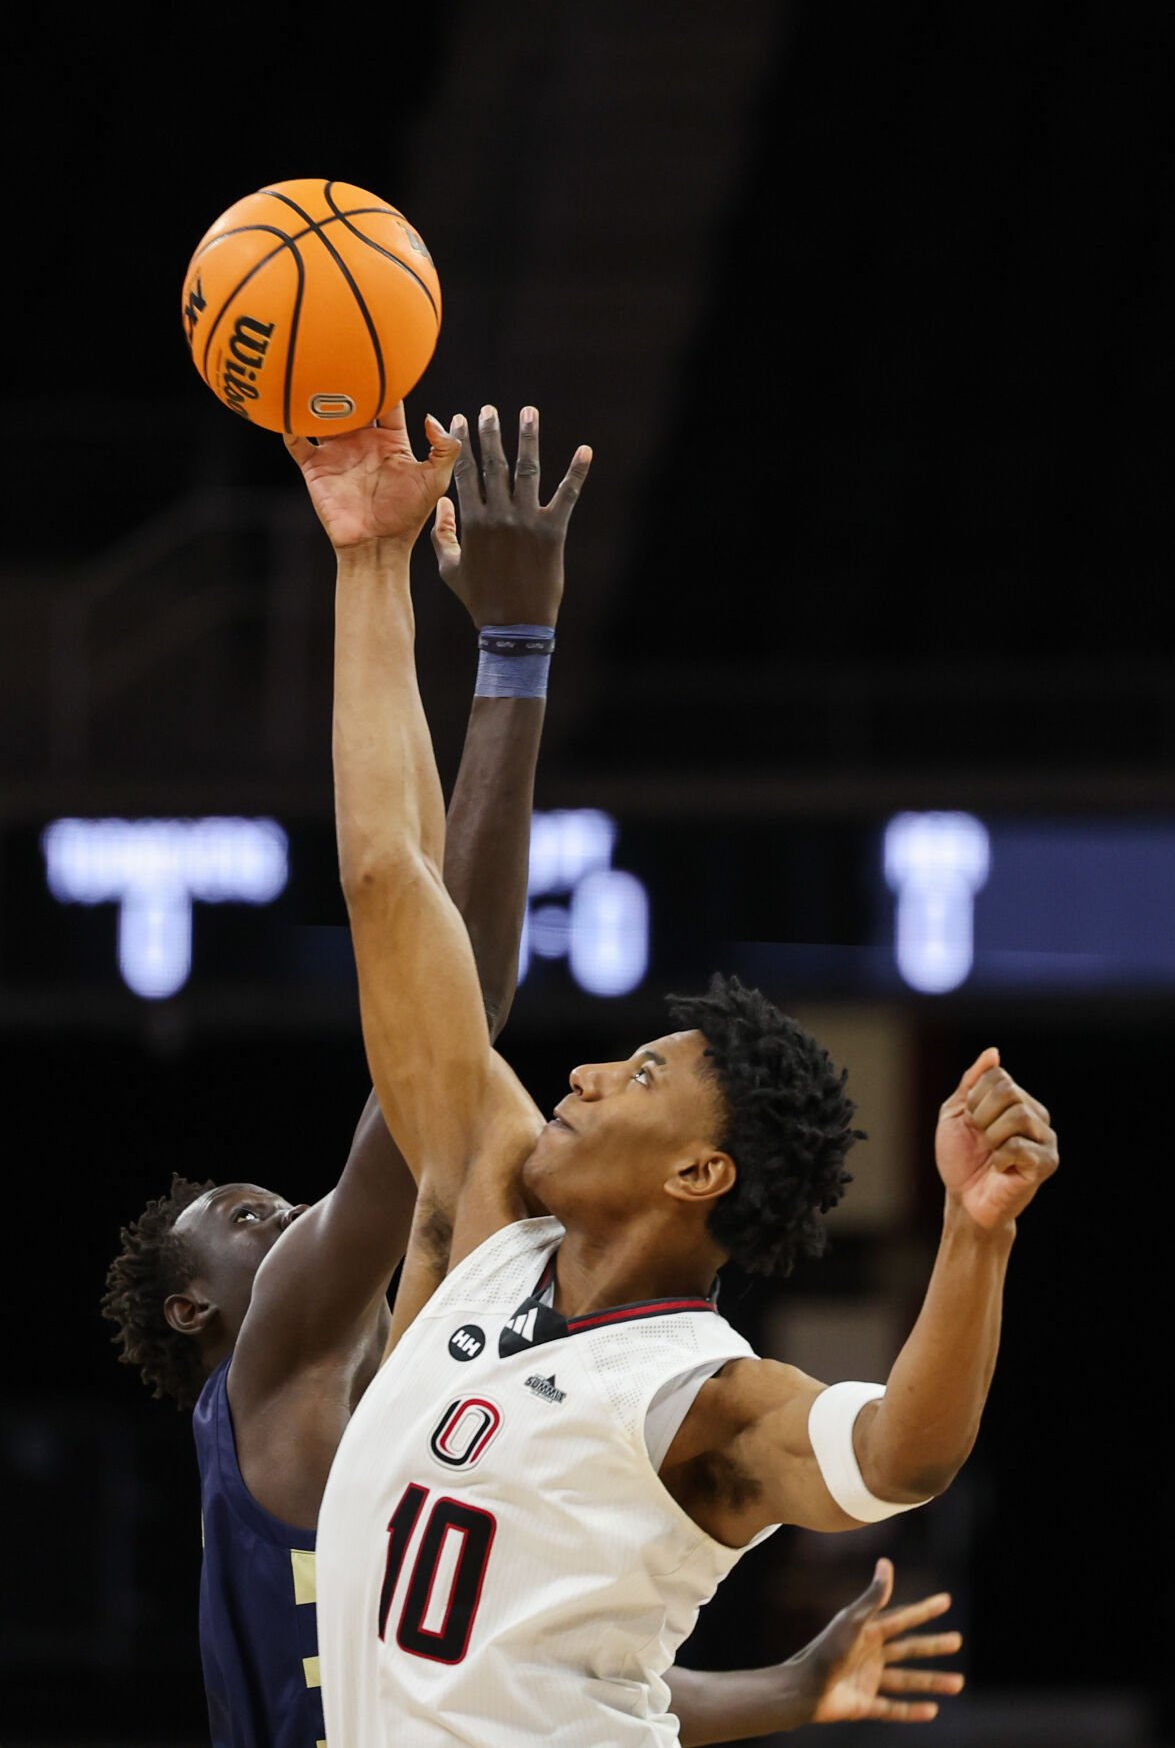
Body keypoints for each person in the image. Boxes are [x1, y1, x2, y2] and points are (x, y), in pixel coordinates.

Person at [102, 408, 963, 1748]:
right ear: (196, 1306)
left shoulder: (706, 1388)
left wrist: (976, 1233)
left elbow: (903, 1457)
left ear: (699, 1169)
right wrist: (370, 563)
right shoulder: (477, 1236)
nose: (587, 1071)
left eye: (642, 1072)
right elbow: (393, 890)